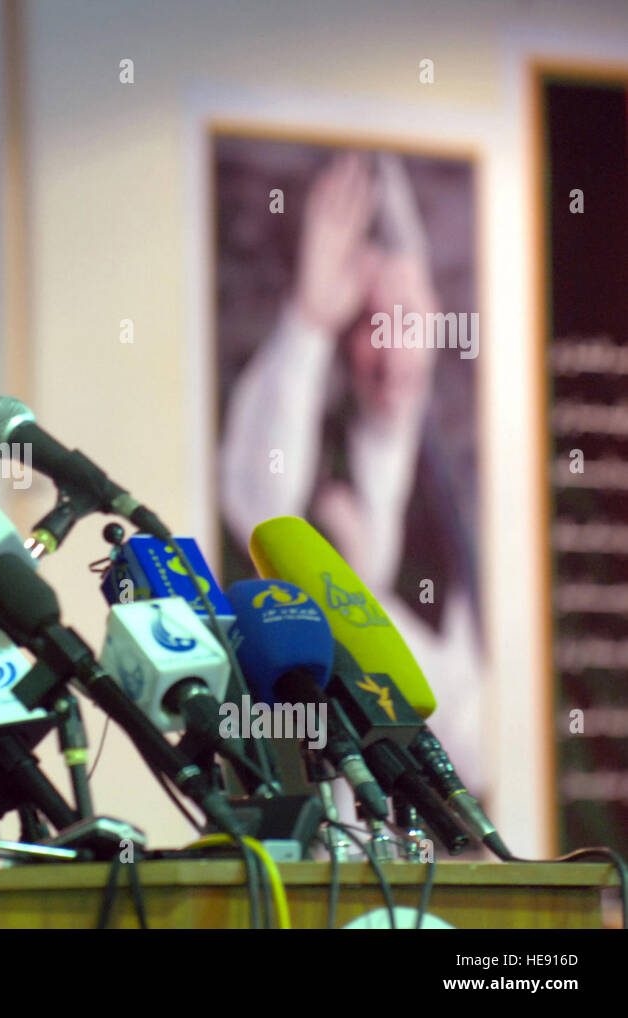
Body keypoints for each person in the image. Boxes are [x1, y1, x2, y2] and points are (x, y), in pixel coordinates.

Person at [219, 151, 487, 802]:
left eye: (406, 319)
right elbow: (252, 502)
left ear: (433, 313)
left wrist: (362, 596)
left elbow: (469, 735)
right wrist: (308, 318)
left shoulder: (461, 486)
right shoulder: (309, 446)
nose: (392, 353)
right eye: (370, 323)